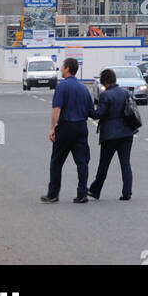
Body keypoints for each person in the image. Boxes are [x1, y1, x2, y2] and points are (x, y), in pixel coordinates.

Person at [41, 58, 94, 204]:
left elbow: (57, 108)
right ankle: (82, 193)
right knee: (82, 162)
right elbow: (91, 111)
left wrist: (52, 128)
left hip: (65, 127)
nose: (60, 69)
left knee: (57, 161)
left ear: (68, 68)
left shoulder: (62, 87)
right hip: (81, 127)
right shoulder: (84, 88)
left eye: (62, 66)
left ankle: (53, 194)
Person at [88, 68, 136, 200]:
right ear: (114, 79)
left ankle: (95, 190)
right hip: (127, 133)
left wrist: (88, 110)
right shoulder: (125, 92)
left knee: (104, 165)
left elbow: (98, 114)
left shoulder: (105, 95)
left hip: (110, 136)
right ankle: (127, 192)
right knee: (125, 163)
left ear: (104, 82)